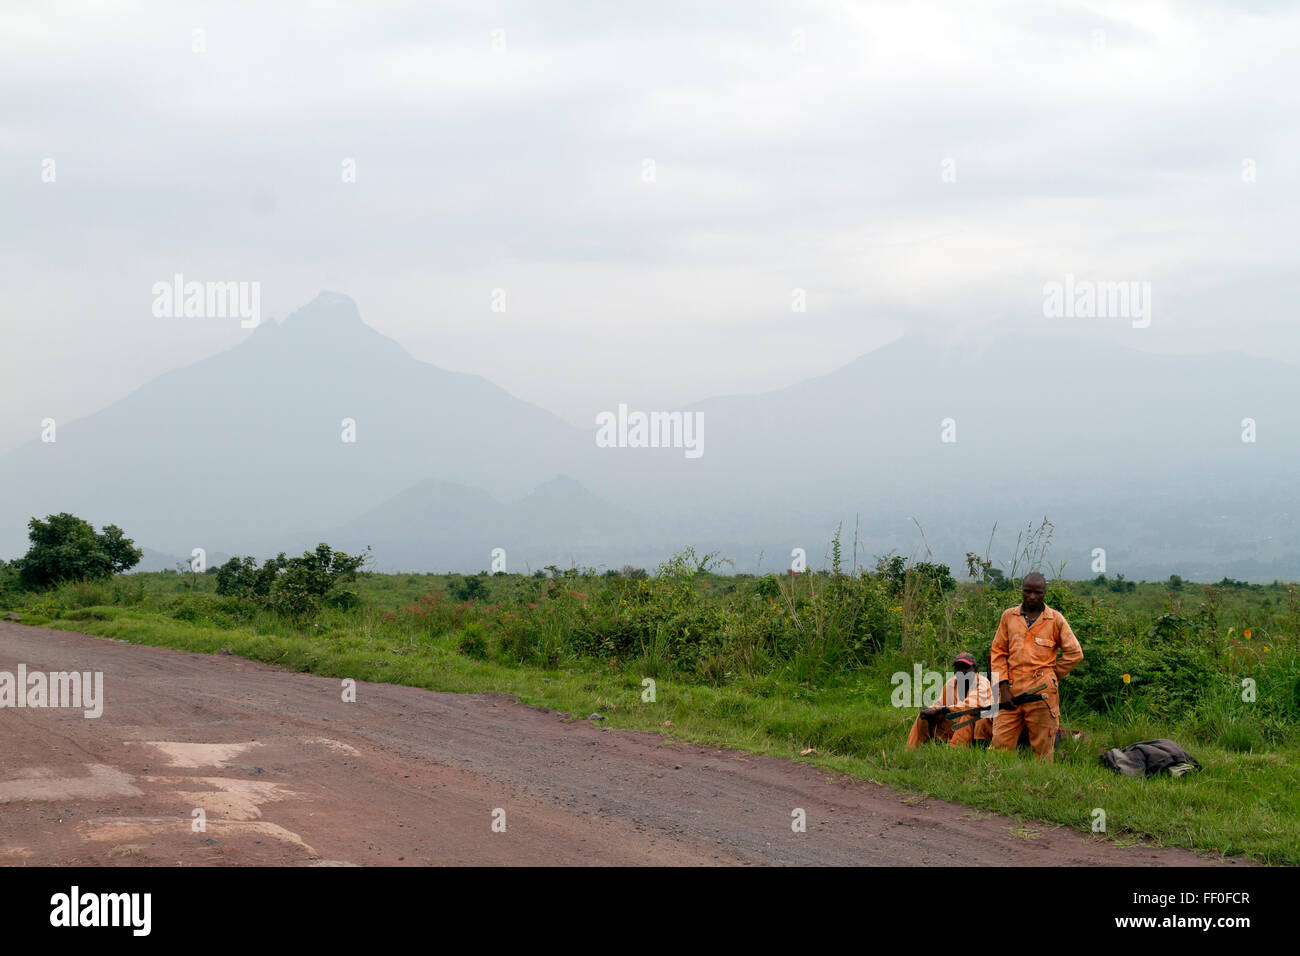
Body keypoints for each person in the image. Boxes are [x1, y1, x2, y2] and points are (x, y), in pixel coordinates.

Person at [988, 572, 1083, 762]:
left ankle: (1040, 786)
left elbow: (1075, 654)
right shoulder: (1009, 616)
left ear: (1044, 593)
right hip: (1011, 692)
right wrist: (1003, 688)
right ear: (1021, 591)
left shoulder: (1055, 620)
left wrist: (1051, 676)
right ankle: (998, 786)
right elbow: (998, 652)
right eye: (1027, 591)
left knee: (1043, 750)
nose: (1032, 596)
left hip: (1043, 694)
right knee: (999, 746)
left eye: (1037, 592)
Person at [906, 652, 994, 748]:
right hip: (963, 730)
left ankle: (957, 750)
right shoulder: (952, 683)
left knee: (966, 715)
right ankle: (913, 749)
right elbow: (939, 704)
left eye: (965, 667)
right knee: (925, 715)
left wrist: (941, 709)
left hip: (983, 730)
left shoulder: (982, 682)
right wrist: (931, 710)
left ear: (975, 669)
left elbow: (971, 705)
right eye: (958, 668)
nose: (961, 671)